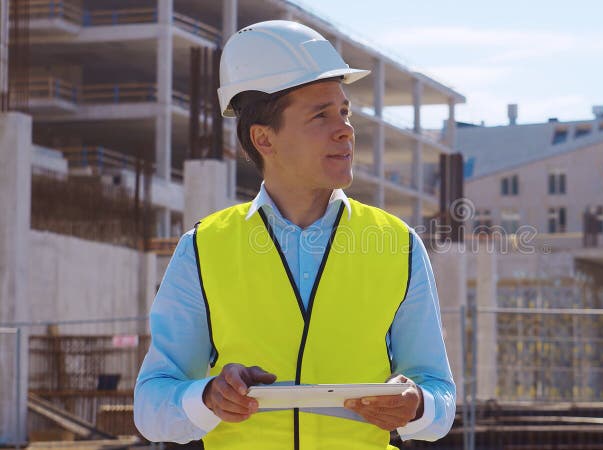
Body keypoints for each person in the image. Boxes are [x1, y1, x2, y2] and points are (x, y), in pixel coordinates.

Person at [133, 20, 455, 449]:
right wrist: (208, 397)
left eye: (344, 112)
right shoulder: (203, 248)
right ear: (264, 138)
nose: (345, 129)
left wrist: (417, 406)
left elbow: (439, 394)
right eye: (320, 115)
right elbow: (151, 407)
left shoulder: (398, 244)